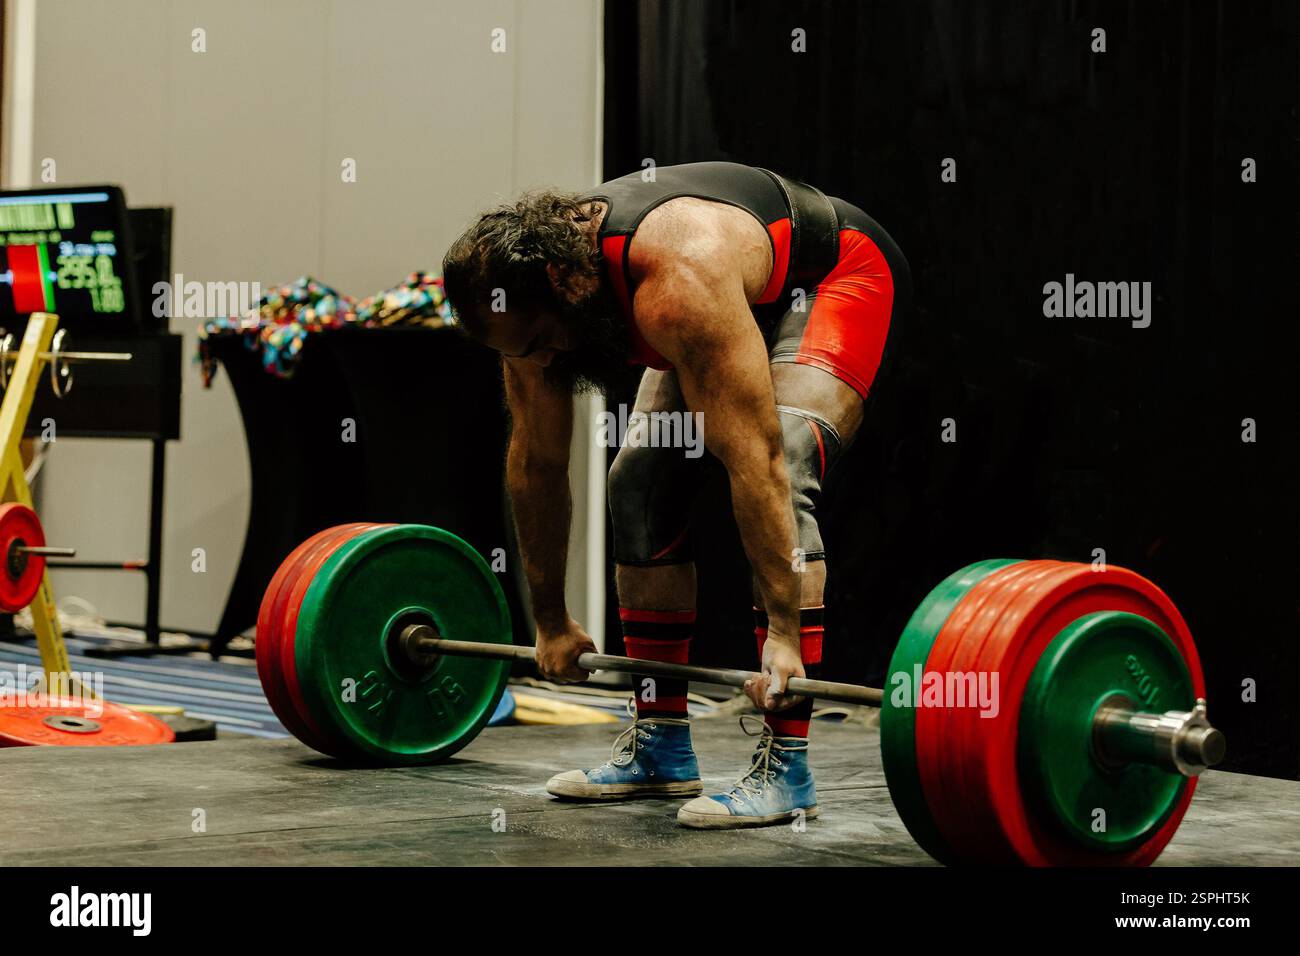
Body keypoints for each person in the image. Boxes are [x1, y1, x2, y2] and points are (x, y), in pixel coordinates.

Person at [442, 161, 910, 828]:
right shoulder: (522, 316)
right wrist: (548, 617)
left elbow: (757, 459)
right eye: (524, 352)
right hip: (725, 294)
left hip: (830, 280)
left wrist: (782, 637)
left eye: (544, 342)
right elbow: (538, 466)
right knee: (638, 485)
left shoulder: (674, 285)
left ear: (565, 282)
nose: (543, 363)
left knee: (788, 452)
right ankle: (661, 746)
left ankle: (789, 767)